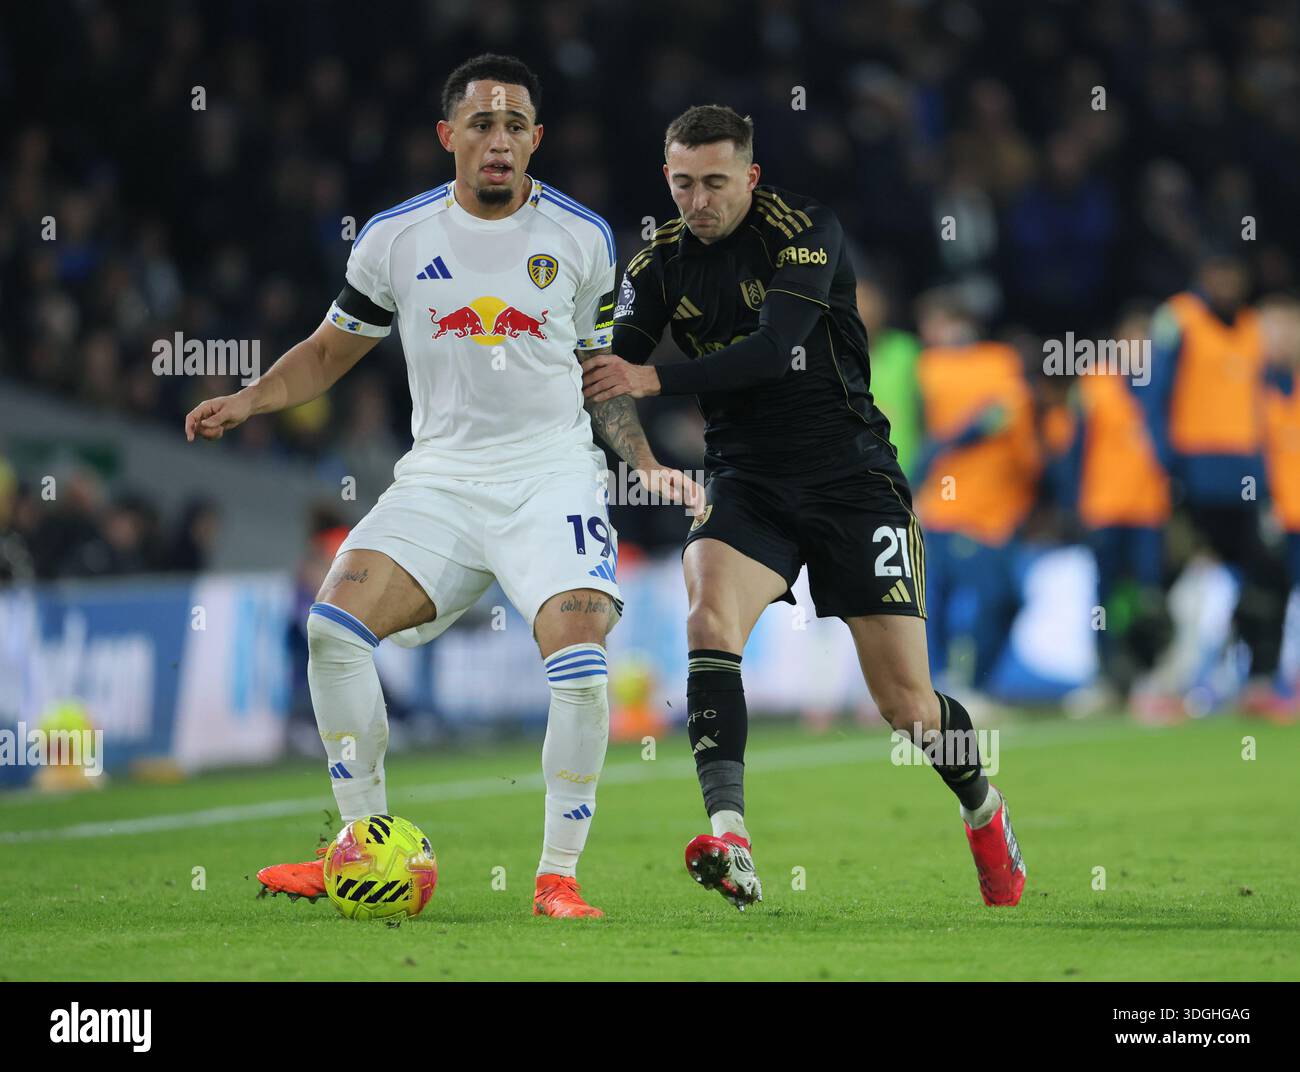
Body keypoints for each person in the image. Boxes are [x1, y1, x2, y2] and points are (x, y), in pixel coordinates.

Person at [185, 54, 699, 919]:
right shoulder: (394, 237)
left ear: (536, 138)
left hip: (551, 477)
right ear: (447, 136)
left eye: (516, 126)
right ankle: (360, 846)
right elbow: (326, 351)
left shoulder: (583, 237)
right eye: (482, 124)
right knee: (333, 631)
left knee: (577, 661)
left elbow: (598, 373)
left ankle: (556, 878)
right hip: (441, 480)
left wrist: (643, 466)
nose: (499, 141)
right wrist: (251, 398)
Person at [583, 105, 1025, 910]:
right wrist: (643, 460)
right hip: (748, 482)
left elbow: (776, 350)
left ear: (750, 176)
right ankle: (733, 837)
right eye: (683, 184)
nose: (699, 201)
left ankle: (984, 810)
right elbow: (611, 375)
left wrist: (658, 380)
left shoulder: (805, 228)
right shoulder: (656, 262)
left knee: (906, 706)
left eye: (716, 182)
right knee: (708, 623)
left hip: (854, 479)